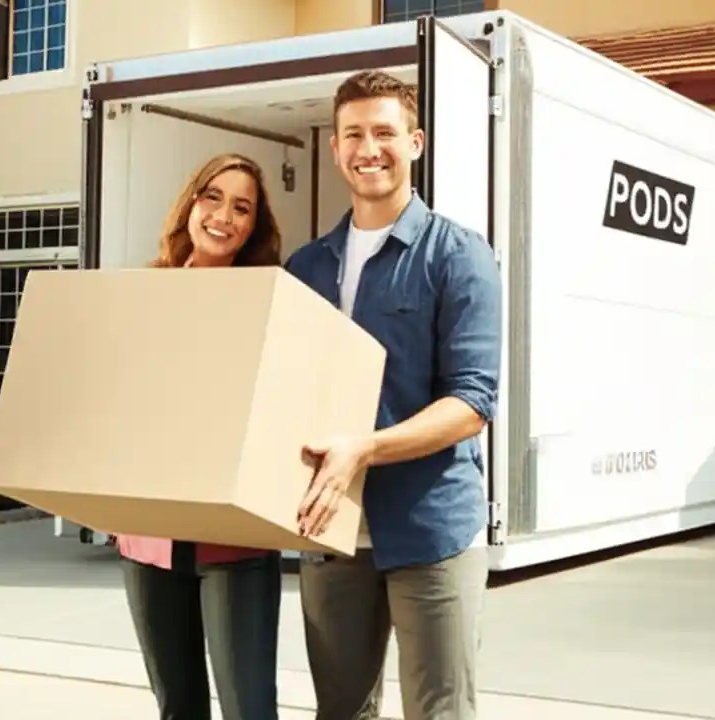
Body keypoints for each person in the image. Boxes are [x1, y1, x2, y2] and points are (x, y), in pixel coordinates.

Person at [284, 70, 503, 720]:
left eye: (384, 132)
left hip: (432, 527)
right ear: (333, 147)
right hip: (332, 529)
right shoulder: (307, 267)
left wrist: (364, 449)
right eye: (353, 134)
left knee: (440, 711)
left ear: (416, 142)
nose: (368, 148)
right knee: (342, 711)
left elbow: (471, 402)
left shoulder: (458, 255)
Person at [115, 152, 285, 720]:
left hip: (233, 536)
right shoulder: (140, 297)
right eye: (212, 197)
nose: (223, 215)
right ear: (191, 202)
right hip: (150, 534)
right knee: (177, 708)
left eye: (242, 207)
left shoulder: (270, 303)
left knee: (248, 709)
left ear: (253, 227)